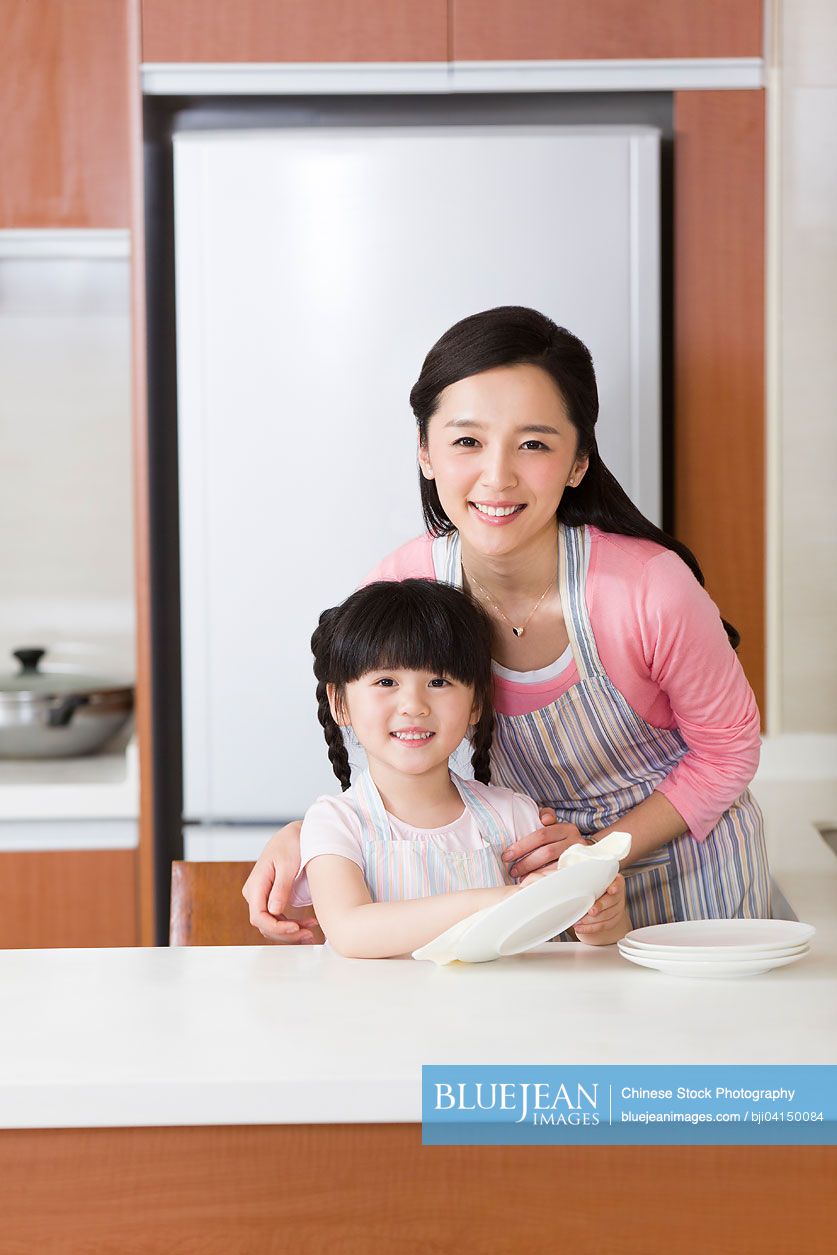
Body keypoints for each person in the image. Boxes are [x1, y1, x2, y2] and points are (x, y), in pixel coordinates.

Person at [243, 305, 771, 942]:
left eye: (534, 444)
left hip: (689, 870)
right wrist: (312, 836)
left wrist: (590, 857)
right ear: (425, 453)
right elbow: (388, 737)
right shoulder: (405, 586)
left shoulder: (648, 588)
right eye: (467, 441)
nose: (497, 476)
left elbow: (729, 749)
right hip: (522, 885)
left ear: (578, 464)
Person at [289, 578, 629, 957]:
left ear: (475, 704)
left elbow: (583, 936)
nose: (414, 705)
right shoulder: (335, 822)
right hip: (377, 1015)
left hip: (496, 1014)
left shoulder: (513, 816)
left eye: (438, 681)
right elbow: (352, 931)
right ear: (340, 704)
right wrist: (496, 902)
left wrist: (604, 918)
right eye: (386, 681)